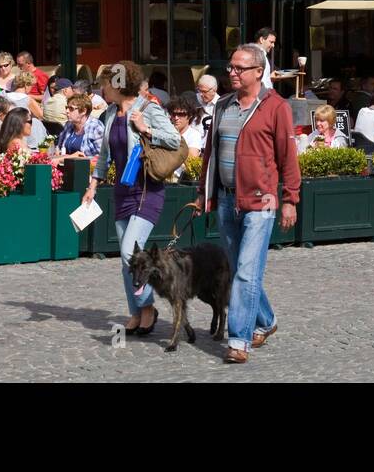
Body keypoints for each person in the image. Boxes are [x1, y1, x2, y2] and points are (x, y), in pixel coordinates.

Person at [195, 44, 301, 363]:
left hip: (261, 201)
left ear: (259, 71)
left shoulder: (276, 107)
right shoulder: (223, 105)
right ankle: (266, 321)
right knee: (243, 270)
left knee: (244, 272)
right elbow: (209, 155)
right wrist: (203, 192)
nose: (232, 73)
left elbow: (288, 157)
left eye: (240, 68)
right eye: (230, 67)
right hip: (227, 200)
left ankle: (238, 340)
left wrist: (290, 200)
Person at [82, 61, 180, 338]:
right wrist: (93, 184)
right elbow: (104, 155)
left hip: (147, 190)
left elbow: (174, 139)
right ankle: (136, 311)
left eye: (105, 84)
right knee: (125, 258)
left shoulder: (148, 109)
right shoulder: (111, 113)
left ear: (118, 85)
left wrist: (146, 129)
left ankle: (147, 306)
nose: (101, 89)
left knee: (129, 252)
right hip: (122, 191)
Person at [55, 94, 104, 158]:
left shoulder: (96, 127)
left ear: (83, 111)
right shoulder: (68, 125)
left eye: (71, 108)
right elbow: (59, 147)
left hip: (87, 167)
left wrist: (75, 158)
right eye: (66, 108)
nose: (67, 111)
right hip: (66, 165)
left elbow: (103, 157)